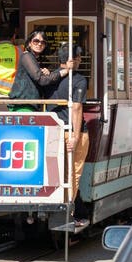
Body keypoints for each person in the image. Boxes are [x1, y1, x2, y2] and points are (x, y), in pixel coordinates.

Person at [50, 44, 90, 226]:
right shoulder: (79, 79)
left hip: (52, 132)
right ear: (73, 60)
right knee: (73, 173)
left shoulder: (49, 78)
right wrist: (75, 135)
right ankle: (68, 212)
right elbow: (77, 107)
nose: (81, 60)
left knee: (54, 173)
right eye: (80, 57)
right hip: (71, 132)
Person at [8, 30, 73, 110]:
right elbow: (41, 80)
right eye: (36, 41)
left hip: (33, 104)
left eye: (43, 42)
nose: (39, 44)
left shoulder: (37, 59)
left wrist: (48, 73)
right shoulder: (27, 56)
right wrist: (64, 72)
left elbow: (43, 79)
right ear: (29, 43)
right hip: (23, 104)